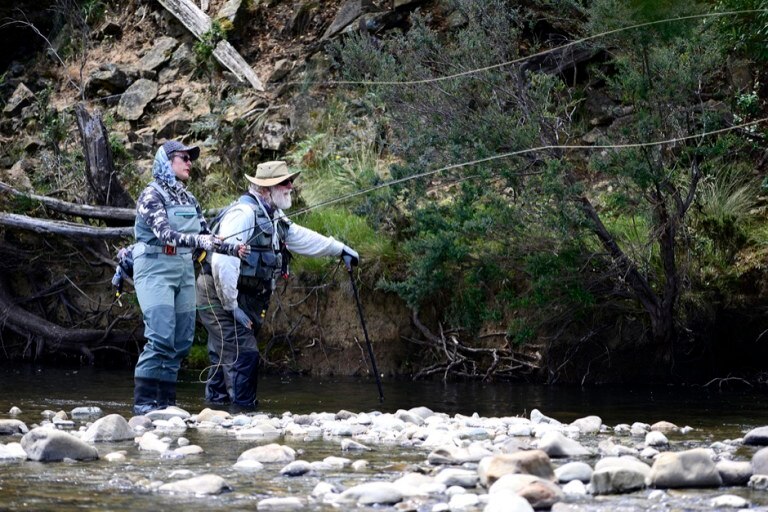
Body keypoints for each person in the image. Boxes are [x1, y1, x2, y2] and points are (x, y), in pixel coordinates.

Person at [196, 160, 359, 409]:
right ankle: (244, 413)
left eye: (290, 180)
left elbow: (300, 238)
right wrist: (230, 306)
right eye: (284, 182)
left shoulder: (274, 215)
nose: (290, 186)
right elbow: (222, 262)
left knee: (225, 352)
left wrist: (340, 249)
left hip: (243, 296)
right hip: (216, 293)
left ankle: (215, 412)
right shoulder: (243, 215)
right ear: (264, 189)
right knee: (244, 353)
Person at [132, 140, 242, 415]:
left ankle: (166, 405)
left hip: (182, 269)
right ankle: (144, 405)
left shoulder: (189, 199)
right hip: (154, 266)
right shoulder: (150, 196)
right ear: (166, 162)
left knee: (181, 341)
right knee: (160, 336)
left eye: (191, 158)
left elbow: (207, 236)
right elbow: (165, 234)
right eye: (183, 157)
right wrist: (202, 240)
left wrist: (233, 248)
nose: (189, 162)